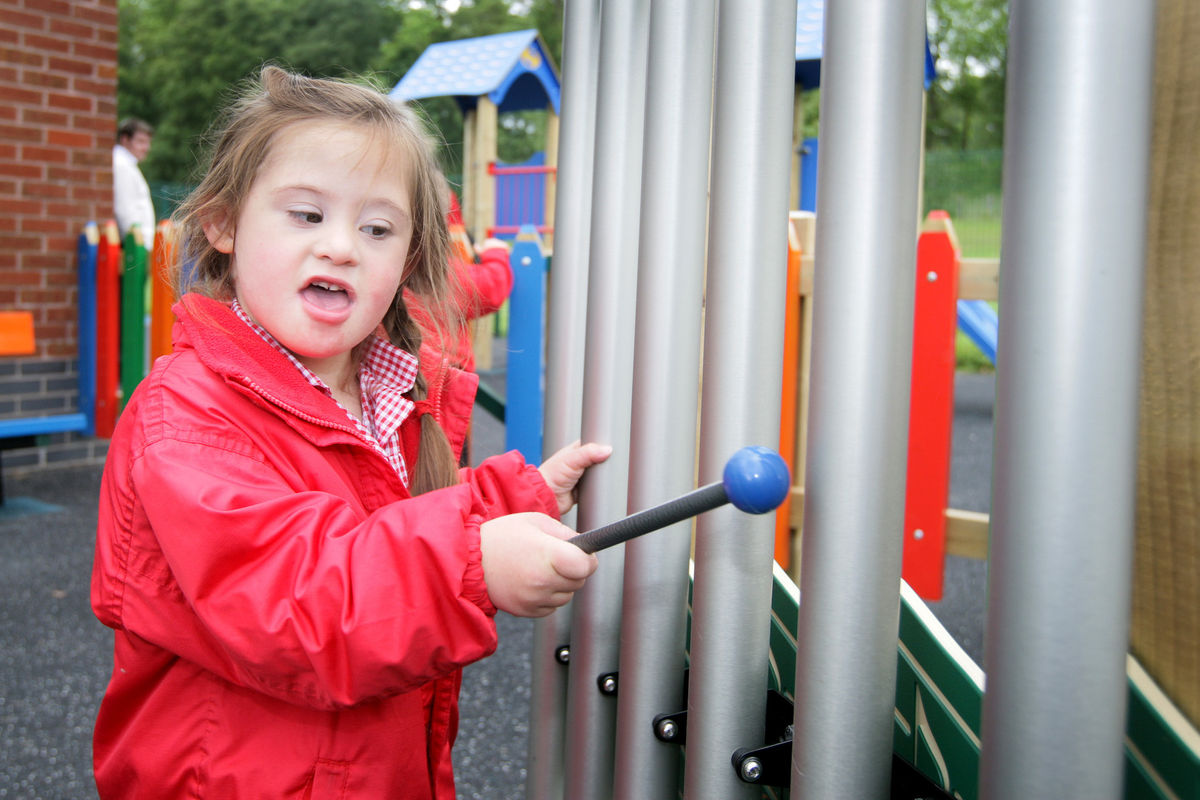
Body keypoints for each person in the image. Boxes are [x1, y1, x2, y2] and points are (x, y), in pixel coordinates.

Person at [90, 66, 610, 799]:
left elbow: (379, 526)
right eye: (307, 216)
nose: (341, 247)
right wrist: (471, 560)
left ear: (408, 263)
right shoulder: (189, 419)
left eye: (376, 229)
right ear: (225, 223)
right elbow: (301, 599)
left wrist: (513, 496)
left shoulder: (377, 388)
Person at [112, 117, 156, 252]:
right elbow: (125, 209)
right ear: (125, 140)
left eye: (148, 143)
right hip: (133, 247)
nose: (146, 148)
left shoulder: (127, 165)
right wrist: (139, 246)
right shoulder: (122, 165)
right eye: (141, 141)